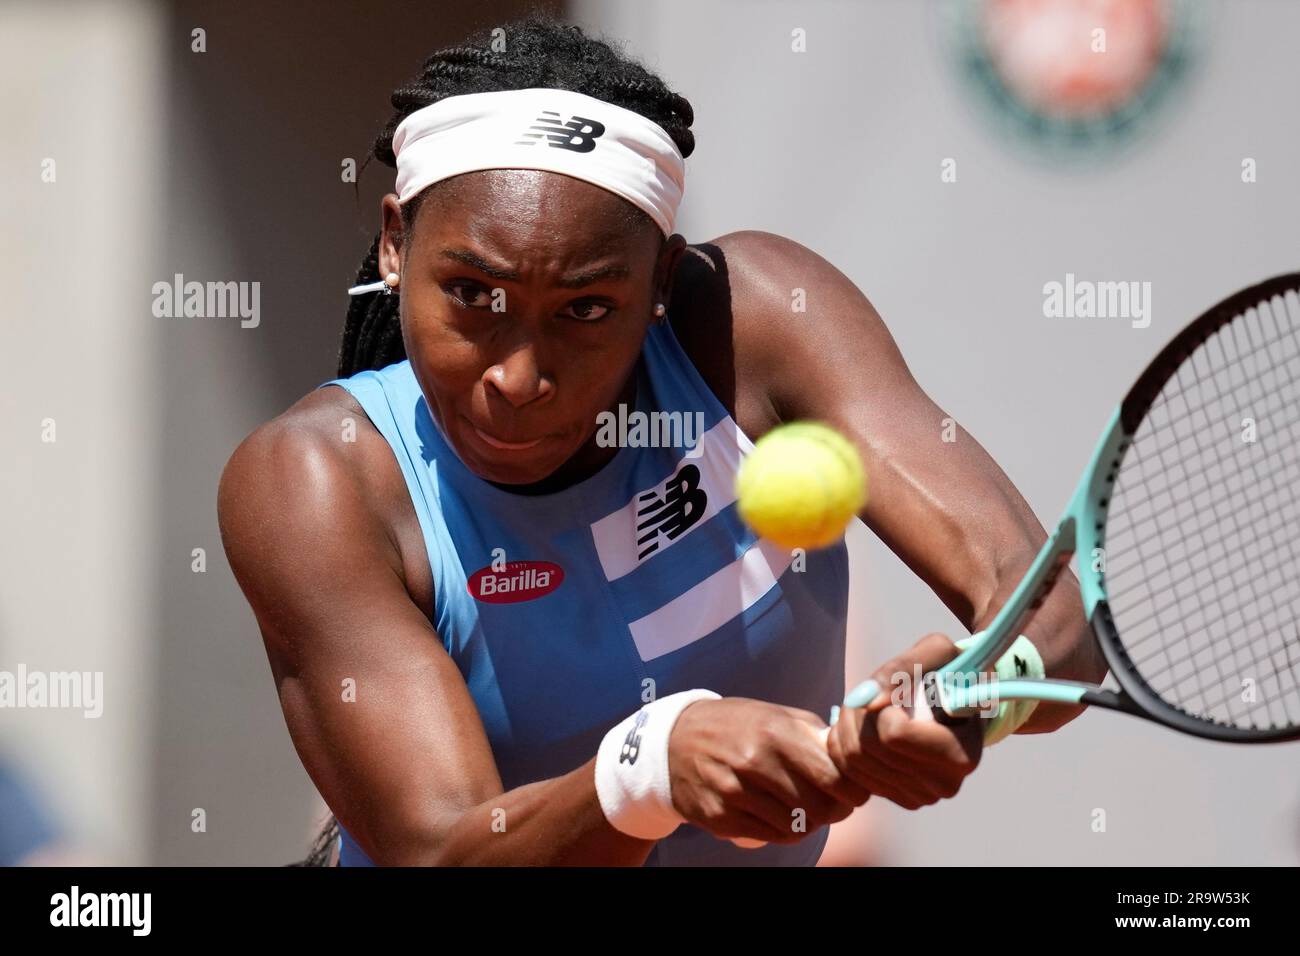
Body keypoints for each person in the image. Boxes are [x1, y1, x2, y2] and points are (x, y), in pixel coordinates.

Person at [218, 14, 1106, 866]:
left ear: (660, 284)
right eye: (473, 295)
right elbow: (444, 848)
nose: (518, 377)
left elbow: (1054, 616)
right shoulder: (313, 480)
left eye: (587, 310)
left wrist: (971, 693)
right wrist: (651, 765)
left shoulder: (756, 324)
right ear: (394, 245)